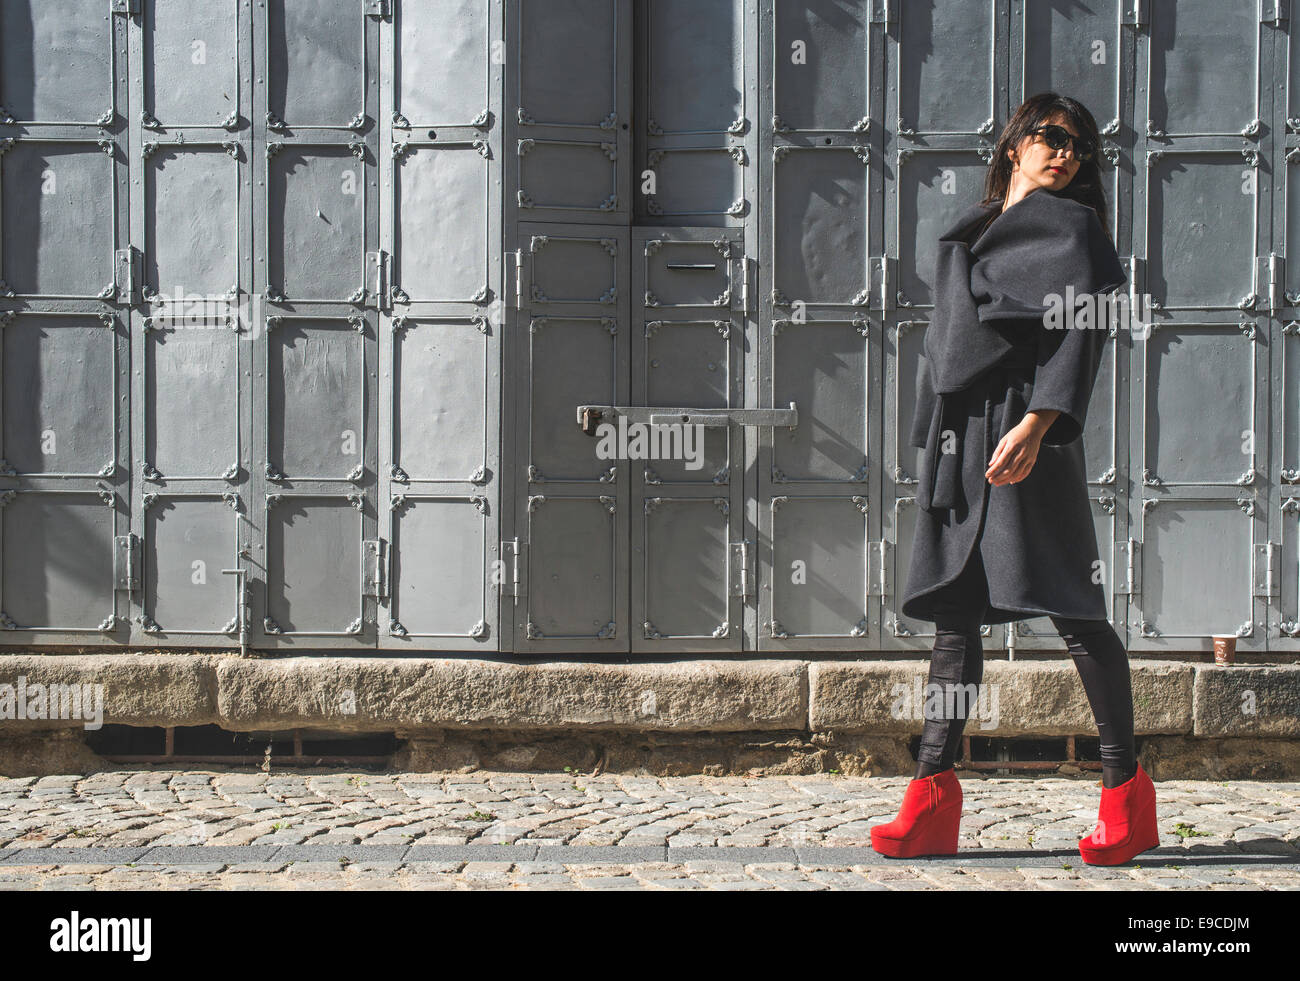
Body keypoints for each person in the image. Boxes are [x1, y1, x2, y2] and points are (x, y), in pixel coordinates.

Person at [870, 94, 1159, 866]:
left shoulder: (1076, 231)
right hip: (962, 436)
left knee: (1073, 608)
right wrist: (933, 443)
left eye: (1080, 146)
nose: (1066, 152)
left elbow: (1079, 334)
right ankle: (930, 797)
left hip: (1028, 430)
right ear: (1013, 144)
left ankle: (1125, 794)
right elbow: (943, 347)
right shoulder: (969, 231)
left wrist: (1039, 423)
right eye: (1051, 136)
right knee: (954, 619)